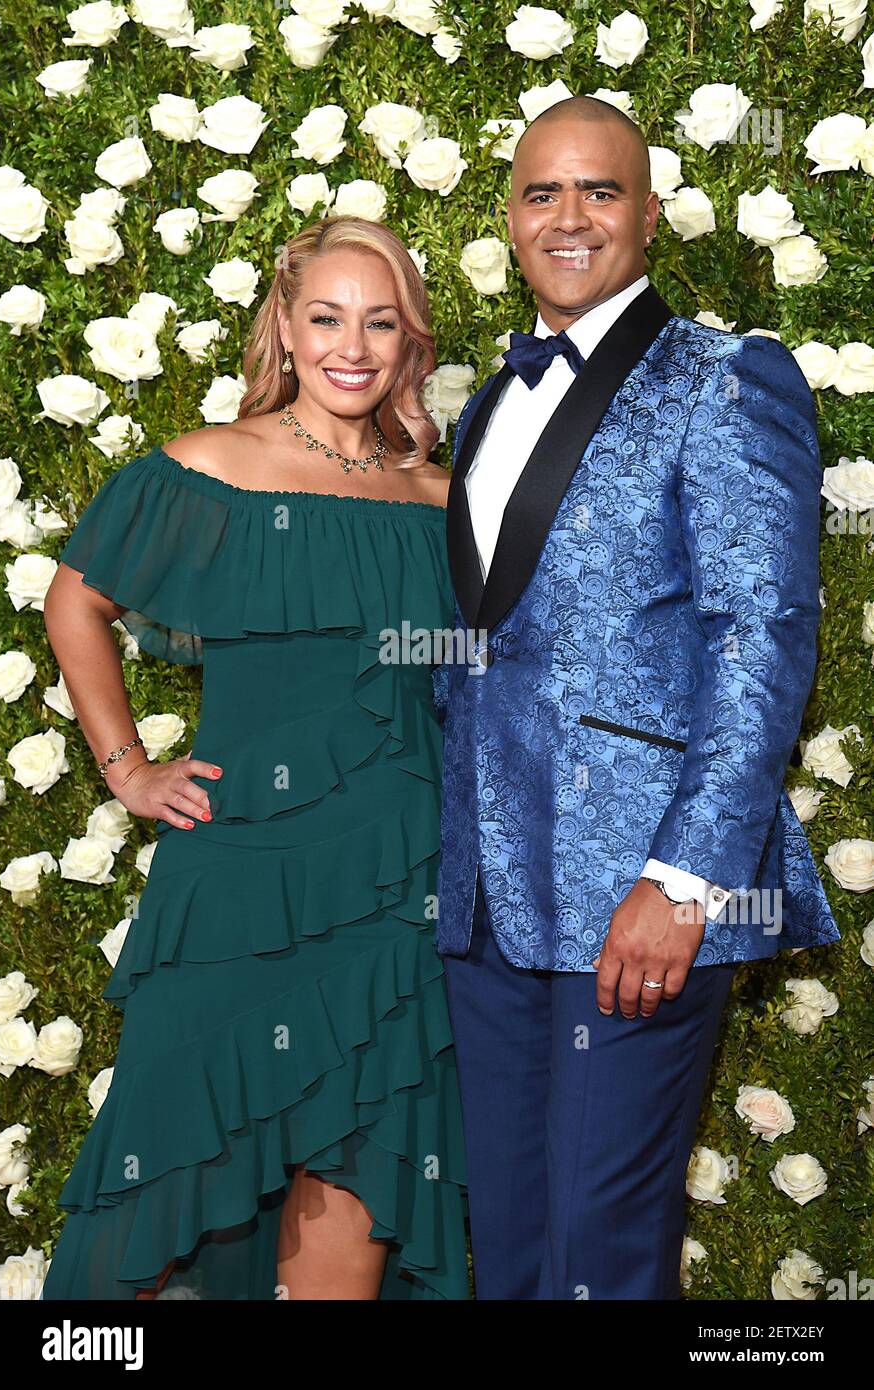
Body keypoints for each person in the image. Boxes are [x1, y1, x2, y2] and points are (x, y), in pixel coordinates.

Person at [432, 95, 841, 1301]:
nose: (571, 216)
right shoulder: (485, 404)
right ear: (510, 219)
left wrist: (684, 881)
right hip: (489, 902)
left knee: (597, 1257)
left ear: (649, 213)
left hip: (637, 893)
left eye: (600, 190)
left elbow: (763, 632)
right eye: (542, 192)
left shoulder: (728, 378)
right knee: (507, 1245)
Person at [40, 215, 469, 1301]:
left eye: (381, 322)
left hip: (390, 894)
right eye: (326, 316)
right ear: (284, 323)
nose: (352, 345)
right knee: (162, 1185)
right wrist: (127, 767)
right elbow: (74, 599)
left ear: (410, 342)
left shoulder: (440, 500)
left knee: (360, 1179)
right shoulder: (212, 469)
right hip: (232, 887)